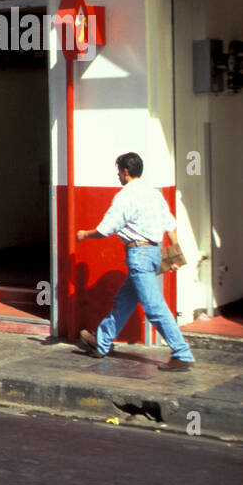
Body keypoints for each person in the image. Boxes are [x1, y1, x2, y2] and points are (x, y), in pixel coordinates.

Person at [77, 152, 195, 371]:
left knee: (153, 306)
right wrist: (175, 255)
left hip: (138, 255)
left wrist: (84, 234)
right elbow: (170, 225)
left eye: (119, 172)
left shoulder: (124, 196)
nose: (118, 176)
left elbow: (106, 229)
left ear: (126, 172)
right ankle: (102, 342)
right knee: (125, 300)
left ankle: (182, 352)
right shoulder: (154, 195)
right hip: (153, 253)